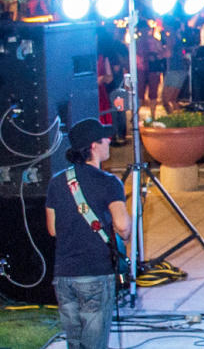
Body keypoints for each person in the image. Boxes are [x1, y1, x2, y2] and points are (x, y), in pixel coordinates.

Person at [46, 118, 130, 349]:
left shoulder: (56, 181)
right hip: (94, 274)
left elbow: (53, 229)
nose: (109, 143)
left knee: (75, 342)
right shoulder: (110, 183)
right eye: (105, 139)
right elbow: (122, 226)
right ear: (94, 145)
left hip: (63, 275)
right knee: (94, 344)